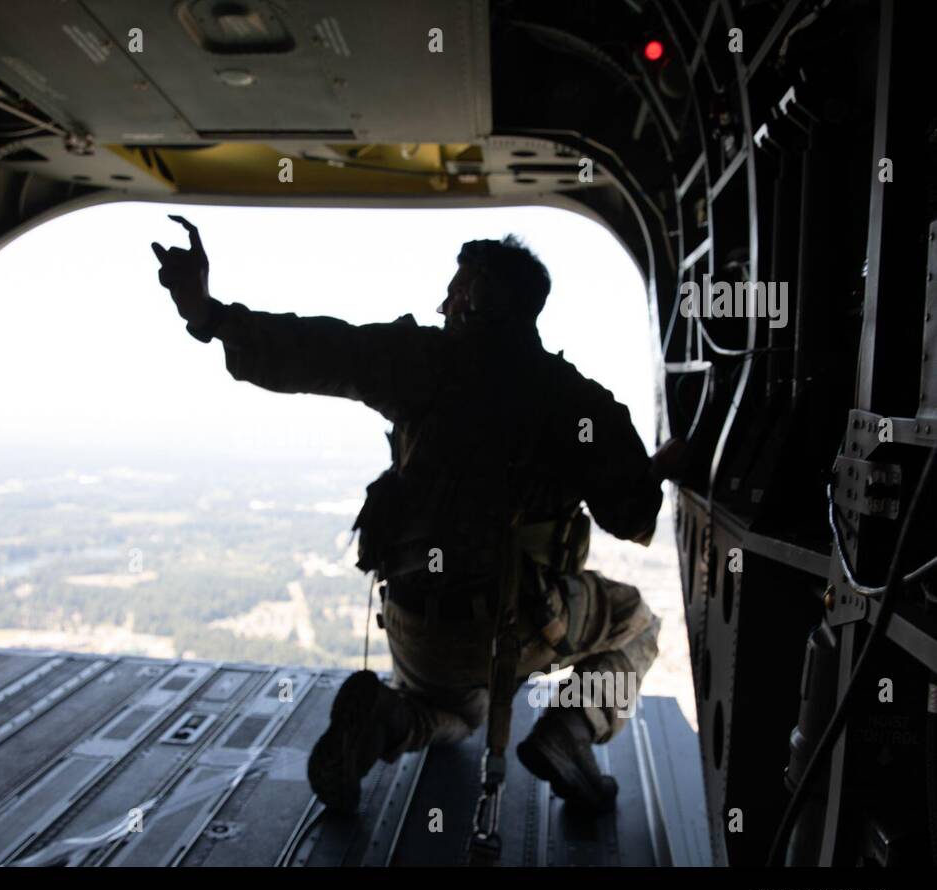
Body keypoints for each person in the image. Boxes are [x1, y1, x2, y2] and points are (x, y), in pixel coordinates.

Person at [152, 215, 685, 814]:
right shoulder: (579, 404)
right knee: (637, 621)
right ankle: (573, 728)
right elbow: (630, 515)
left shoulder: (417, 364)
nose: (442, 303)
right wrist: (658, 465)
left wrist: (207, 312)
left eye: (455, 291)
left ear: (478, 300)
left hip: (416, 623)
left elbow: (317, 349)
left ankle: (386, 717)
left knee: (460, 714)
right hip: (522, 621)